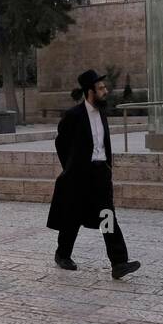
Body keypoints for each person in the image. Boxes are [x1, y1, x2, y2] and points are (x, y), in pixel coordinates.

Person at [46, 69, 141, 279]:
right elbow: (60, 142)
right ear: (90, 91)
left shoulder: (102, 112)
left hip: (100, 175)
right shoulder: (74, 116)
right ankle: (62, 254)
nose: (105, 91)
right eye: (100, 88)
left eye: (104, 87)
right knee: (73, 215)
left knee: (107, 215)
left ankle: (118, 262)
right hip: (80, 175)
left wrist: (107, 167)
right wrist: (70, 167)